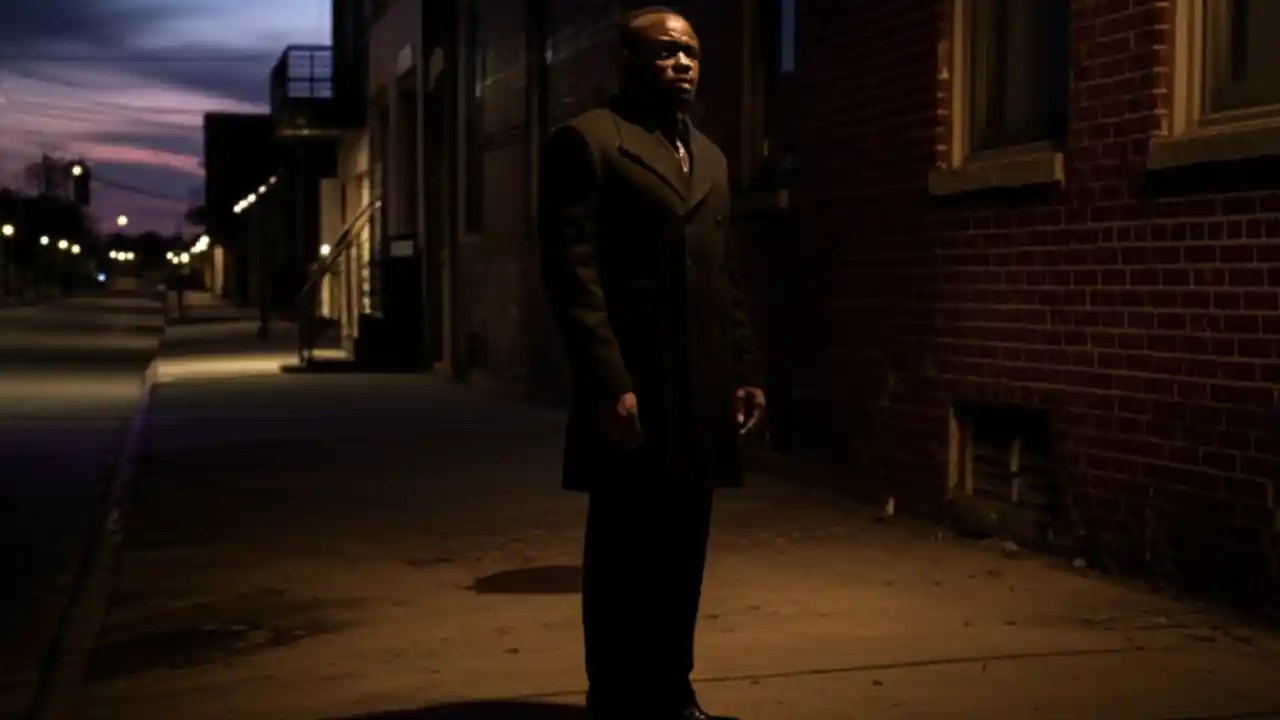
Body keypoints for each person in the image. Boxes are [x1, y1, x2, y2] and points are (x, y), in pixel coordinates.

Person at [538, 6, 765, 719]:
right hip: (635, 386)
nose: (684, 64)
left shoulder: (713, 158)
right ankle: (614, 696)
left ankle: (672, 691)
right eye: (665, 52)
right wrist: (608, 382)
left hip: (698, 387)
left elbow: (725, 275)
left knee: (682, 554)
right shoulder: (588, 143)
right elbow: (573, 278)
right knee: (620, 555)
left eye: (692, 53)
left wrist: (745, 367)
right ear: (628, 62)